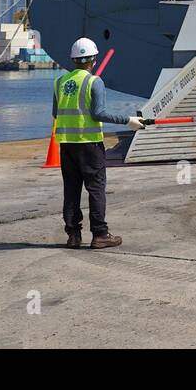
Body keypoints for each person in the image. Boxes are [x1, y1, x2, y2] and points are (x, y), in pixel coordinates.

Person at [53, 38, 145, 249]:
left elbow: (55, 112)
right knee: (95, 189)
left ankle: (73, 235)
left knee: (71, 189)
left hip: (66, 145)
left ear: (73, 59)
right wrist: (128, 120)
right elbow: (99, 113)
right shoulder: (95, 82)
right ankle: (100, 234)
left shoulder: (59, 82)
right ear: (93, 59)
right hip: (90, 145)